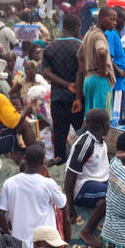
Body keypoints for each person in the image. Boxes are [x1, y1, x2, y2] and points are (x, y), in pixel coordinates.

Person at [0, 143, 65, 243]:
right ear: (43, 162)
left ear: (24, 159)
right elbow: (62, 205)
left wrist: (8, 235)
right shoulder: (48, 184)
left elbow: (0, 214)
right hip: (44, 246)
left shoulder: (9, 183)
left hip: (19, 246)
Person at [42, 12, 83, 164]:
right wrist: (74, 89)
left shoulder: (50, 47)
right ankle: (79, 164)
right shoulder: (80, 46)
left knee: (60, 132)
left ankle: (59, 162)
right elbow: (82, 71)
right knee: (80, 132)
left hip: (57, 97)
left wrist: (65, 85)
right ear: (76, 27)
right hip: (77, 99)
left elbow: (46, 72)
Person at [63, 107, 110, 224]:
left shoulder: (101, 141)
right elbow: (70, 174)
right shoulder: (85, 145)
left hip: (100, 182)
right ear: (105, 126)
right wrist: (70, 205)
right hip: (83, 187)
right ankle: (87, 231)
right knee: (114, 196)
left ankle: (101, 204)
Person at [78, 5, 117, 115]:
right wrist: (103, 71)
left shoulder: (89, 34)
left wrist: (86, 73)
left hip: (89, 80)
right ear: (101, 18)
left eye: (115, 20)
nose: (114, 23)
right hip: (100, 81)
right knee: (103, 117)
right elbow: (102, 52)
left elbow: (80, 56)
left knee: (89, 117)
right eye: (111, 19)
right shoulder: (99, 36)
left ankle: (81, 133)